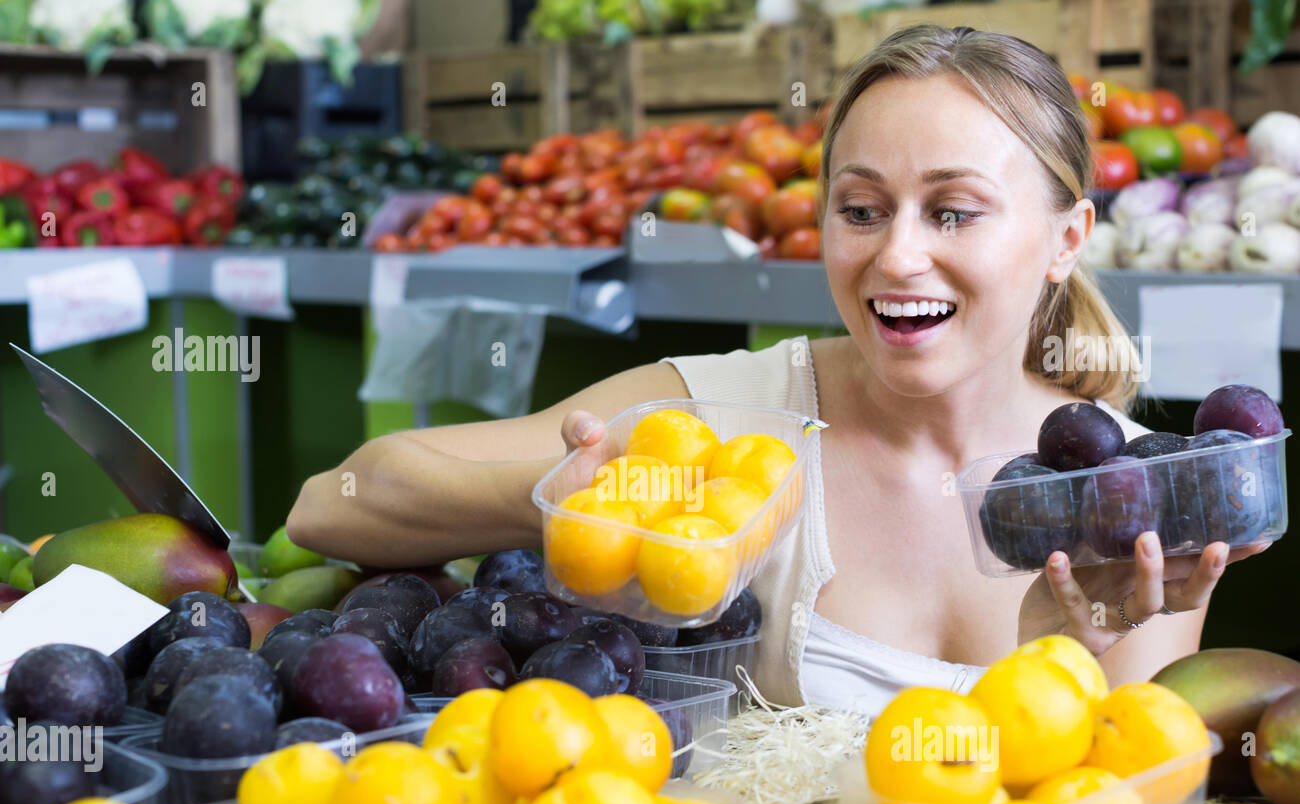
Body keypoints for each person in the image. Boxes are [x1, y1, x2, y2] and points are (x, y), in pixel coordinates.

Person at [287, 24, 1264, 717]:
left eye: (953, 211)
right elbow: (335, 501)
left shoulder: (1135, 497)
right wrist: (598, 508)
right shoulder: (723, 415)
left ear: (1066, 238)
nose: (896, 256)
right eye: (860, 208)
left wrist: (1063, 658)